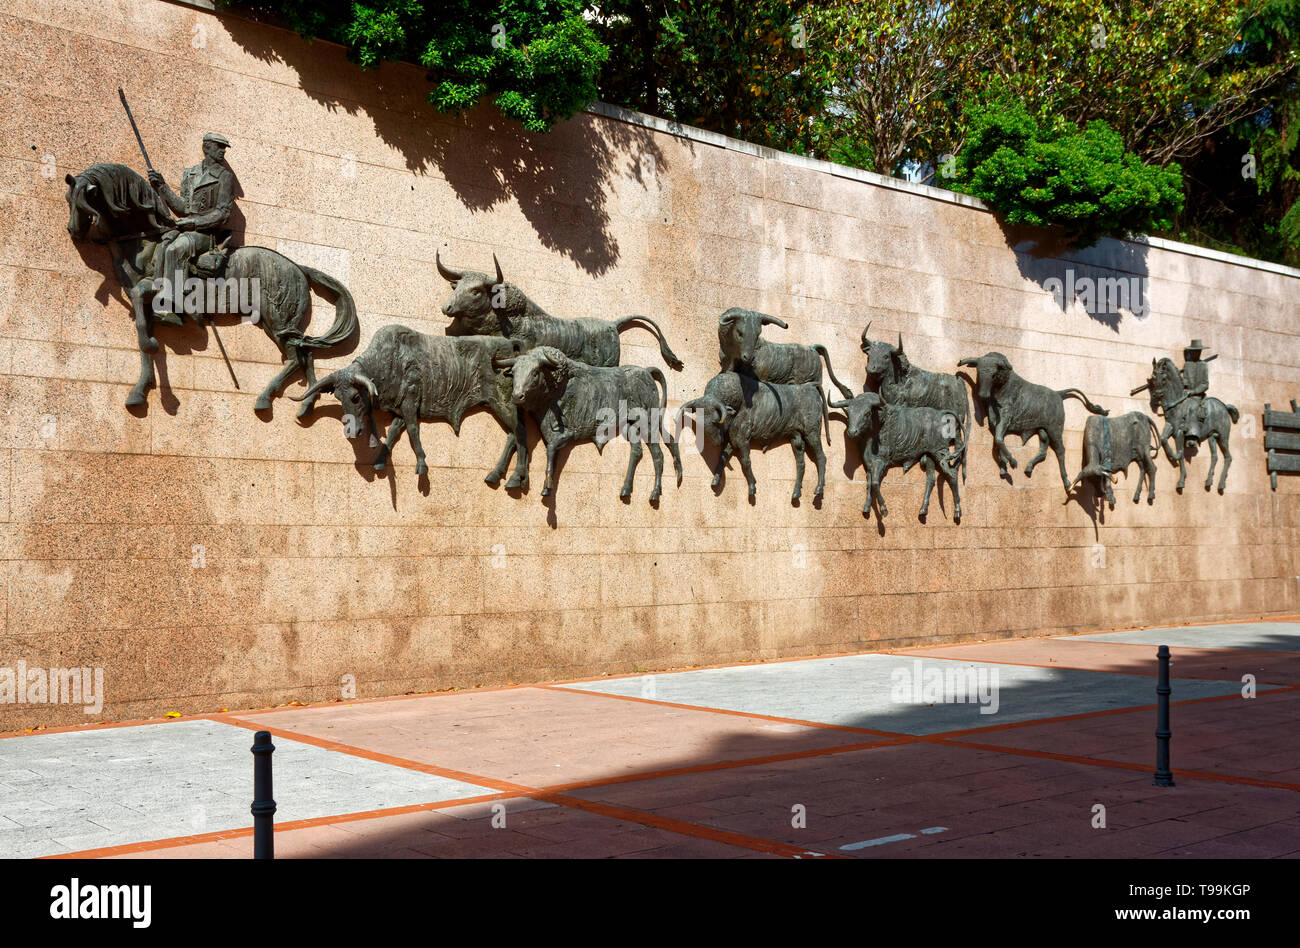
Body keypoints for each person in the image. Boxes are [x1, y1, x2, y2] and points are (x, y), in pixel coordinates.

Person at [148, 132, 234, 323]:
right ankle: (158, 289)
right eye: (219, 147)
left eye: (224, 148)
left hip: (206, 234)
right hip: (187, 229)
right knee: (163, 243)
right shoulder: (190, 174)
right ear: (206, 148)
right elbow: (183, 207)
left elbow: (223, 214)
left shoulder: (224, 177)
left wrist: (194, 223)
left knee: (176, 249)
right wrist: (162, 186)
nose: (223, 151)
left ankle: (173, 305)